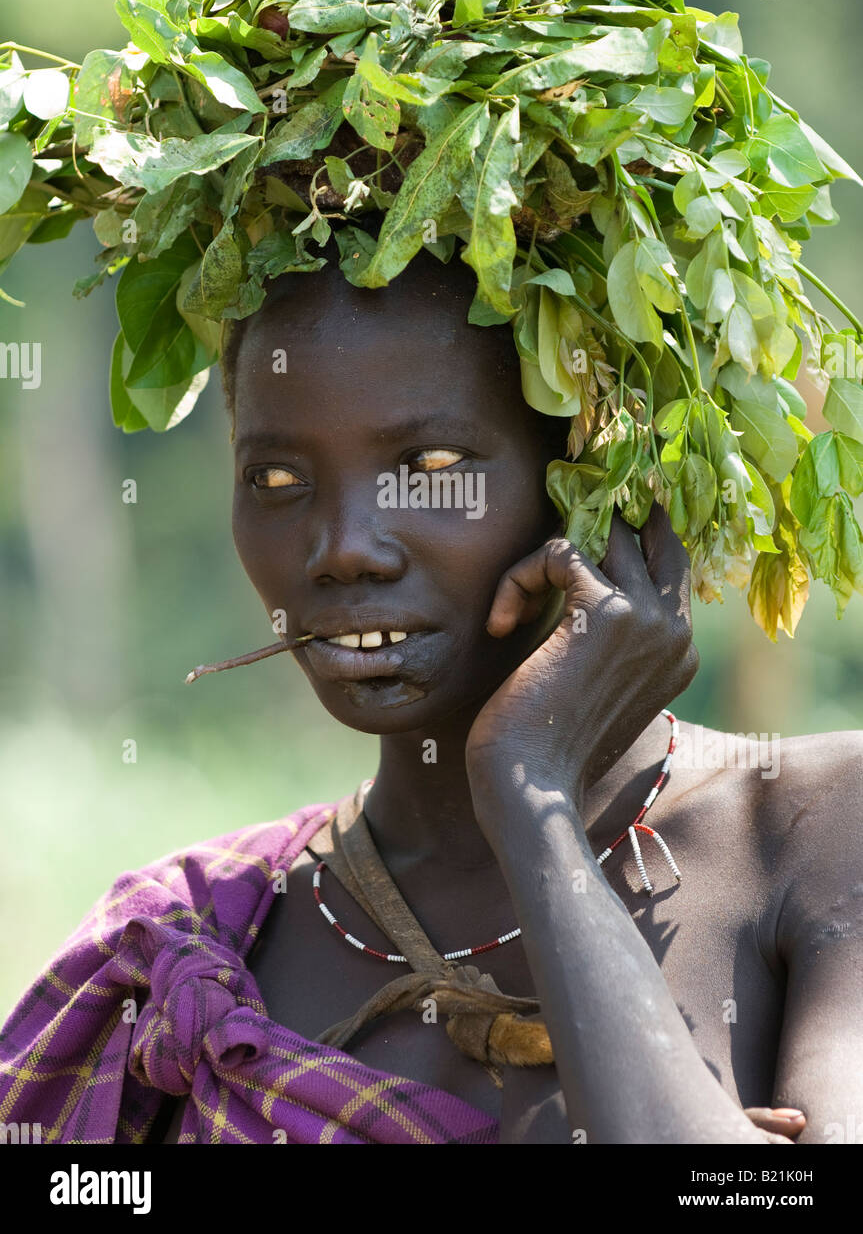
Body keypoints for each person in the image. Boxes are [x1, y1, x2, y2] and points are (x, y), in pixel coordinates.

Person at [1, 227, 861, 1145]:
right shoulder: (191, 946)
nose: (341, 549)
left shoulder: (814, 831)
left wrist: (529, 793)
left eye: (430, 470)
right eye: (278, 476)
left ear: (599, 485)